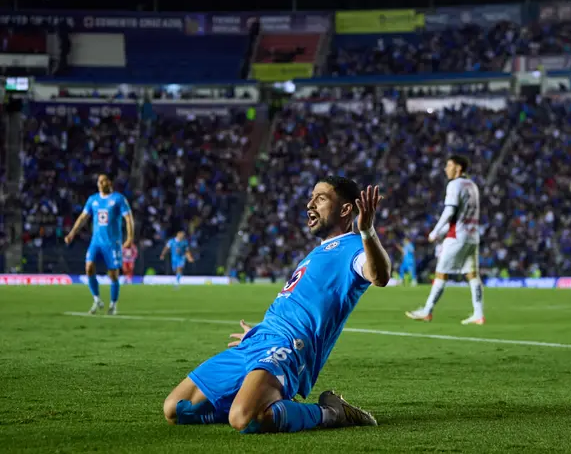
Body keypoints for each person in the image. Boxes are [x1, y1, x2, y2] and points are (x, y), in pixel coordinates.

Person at [163, 177, 392, 434]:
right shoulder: (315, 253)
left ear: (345, 209)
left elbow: (380, 276)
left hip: (290, 346)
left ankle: (332, 413)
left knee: (244, 418)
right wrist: (262, 330)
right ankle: (266, 400)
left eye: (321, 198)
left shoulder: (355, 247)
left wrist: (368, 231)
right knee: (176, 408)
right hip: (259, 339)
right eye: (311, 196)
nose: (310, 204)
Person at [406, 155, 485, 325]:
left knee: (441, 273)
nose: (445, 169)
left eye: (449, 165)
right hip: (473, 236)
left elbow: (450, 212)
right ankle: (478, 314)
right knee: (472, 275)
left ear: (458, 168)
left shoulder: (454, 185)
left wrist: (435, 232)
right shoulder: (472, 185)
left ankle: (427, 311)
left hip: (457, 236)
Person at [65, 174, 134, 315]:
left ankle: (113, 304)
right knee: (89, 267)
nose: (100, 183)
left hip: (112, 243)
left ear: (109, 182)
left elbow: (128, 218)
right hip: (96, 242)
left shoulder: (118, 199)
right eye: (98, 181)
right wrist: (72, 233)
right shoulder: (93, 200)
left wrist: (130, 238)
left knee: (113, 275)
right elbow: (83, 217)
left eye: (103, 181)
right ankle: (96, 299)